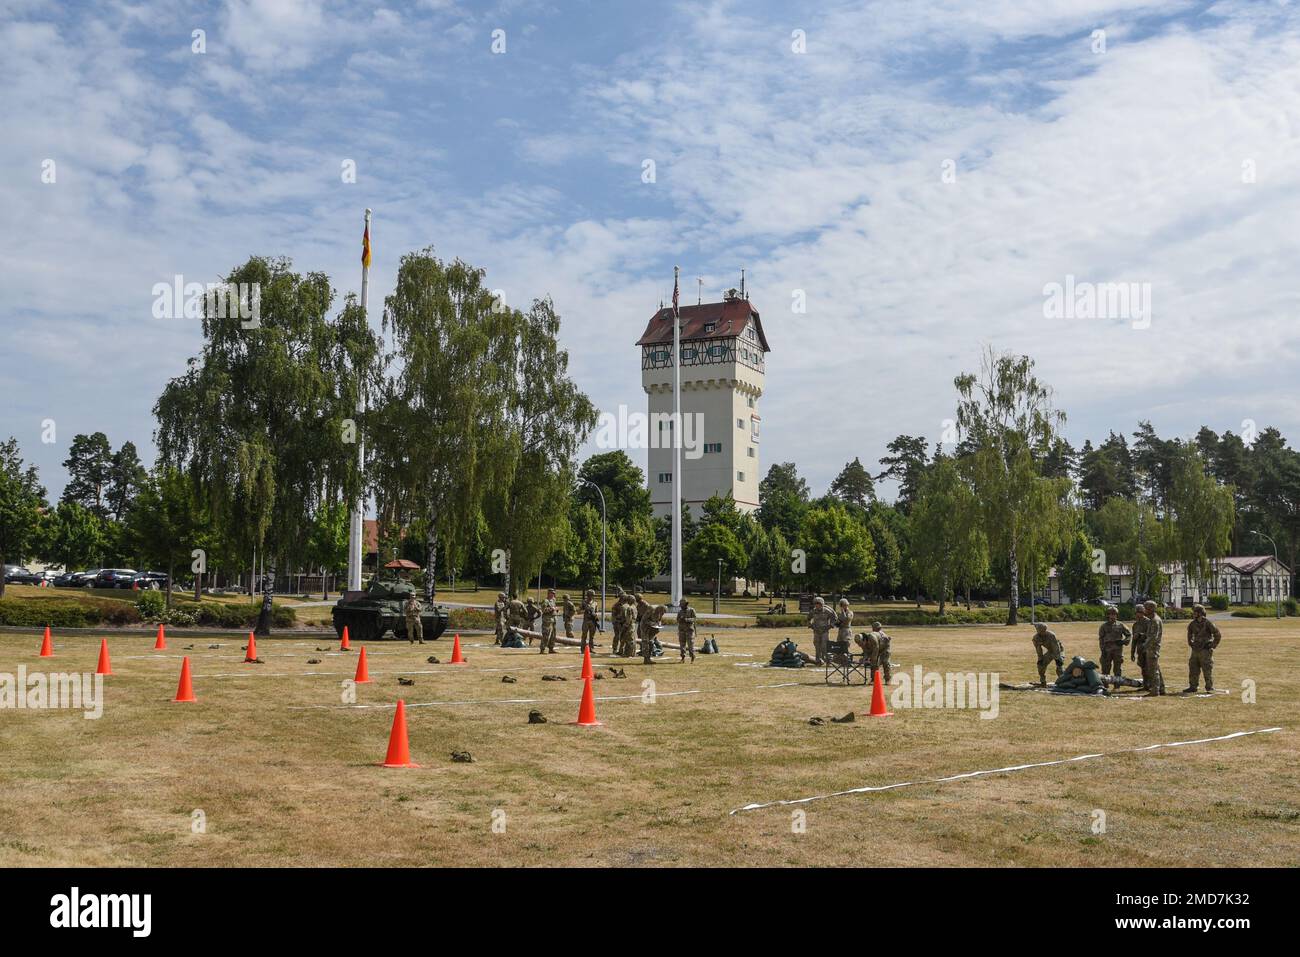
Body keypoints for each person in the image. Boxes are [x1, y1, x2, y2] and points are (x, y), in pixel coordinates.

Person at [1185, 603, 1221, 693]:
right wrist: (1190, 643)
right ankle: (1193, 686)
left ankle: (1209, 687)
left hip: (1205, 650)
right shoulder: (1192, 624)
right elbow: (1189, 634)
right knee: (1193, 668)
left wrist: (1212, 645)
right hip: (1195, 650)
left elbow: (1217, 634)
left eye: (1195, 613)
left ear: (1200, 613)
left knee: (1207, 669)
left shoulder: (1208, 623)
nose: (1193, 614)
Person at [1140, 600, 1166, 696]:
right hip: (1151, 647)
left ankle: (1155, 690)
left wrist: (1144, 645)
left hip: (1152, 648)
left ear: (1150, 609)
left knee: (1153, 670)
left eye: (1146, 608)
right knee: (1156, 668)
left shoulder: (1155, 620)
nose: (1144, 611)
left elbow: (1153, 637)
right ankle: (1161, 688)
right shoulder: (1152, 620)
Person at [1097, 606, 1131, 678]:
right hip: (1107, 650)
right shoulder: (1103, 626)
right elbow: (1101, 639)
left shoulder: (1120, 625)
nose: (1113, 616)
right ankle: (1105, 685)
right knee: (1105, 668)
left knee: (1117, 668)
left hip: (1117, 650)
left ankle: (1117, 685)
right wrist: (1103, 650)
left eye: (1114, 614)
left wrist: (1124, 642)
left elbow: (1129, 635)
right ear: (1108, 615)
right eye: (1111, 614)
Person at [1032, 621, 1064, 686]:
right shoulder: (1036, 638)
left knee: (1059, 666)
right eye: (1041, 631)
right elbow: (1038, 649)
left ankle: (1063, 682)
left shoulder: (1051, 635)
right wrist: (1040, 659)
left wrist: (1058, 659)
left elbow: (1056, 647)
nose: (1043, 632)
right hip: (1050, 651)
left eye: (1044, 630)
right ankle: (1043, 682)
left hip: (1059, 650)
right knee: (1041, 666)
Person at [806, 596, 836, 665]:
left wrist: (830, 625)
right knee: (817, 646)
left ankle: (828, 661)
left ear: (822, 604)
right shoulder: (813, 611)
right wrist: (810, 625)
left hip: (824, 631)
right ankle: (818, 661)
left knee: (824, 646)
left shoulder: (827, 611)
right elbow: (808, 618)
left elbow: (834, 618)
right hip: (816, 631)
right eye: (815, 604)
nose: (817, 605)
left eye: (818, 604)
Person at [1130, 603, 1148, 679]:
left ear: (1143, 613)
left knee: (1149, 667)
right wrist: (1132, 652)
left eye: (1139, 612)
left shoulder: (1148, 622)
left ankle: (1151, 684)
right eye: (1137, 613)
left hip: (1147, 647)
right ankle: (1145, 684)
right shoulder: (1135, 625)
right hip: (1140, 648)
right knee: (1142, 666)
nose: (1138, 615)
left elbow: (1151, 635)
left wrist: (1141, 635)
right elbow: (1134, 640)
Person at [677, 597, 697, 663]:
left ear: (685, 604)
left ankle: (692, 657)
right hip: (682, 630)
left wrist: (687, 619)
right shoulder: (680, 612)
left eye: (682, 605)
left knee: (690, 644)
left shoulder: (691, 610)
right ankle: (683, 658)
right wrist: (681, 619)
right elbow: (677, 620)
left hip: (689, 630)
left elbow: (694, 619)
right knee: (682, 645)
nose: (681, 607)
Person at [538, 588, 558, 655]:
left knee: (553, 635)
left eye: (554, 594)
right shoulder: (545, 601)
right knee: (546, 635)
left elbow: (554, 608)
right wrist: (551, 609)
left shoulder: (553, 600)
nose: (553, 595)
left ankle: (551, 648)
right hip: (547, 620)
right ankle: (542, 649)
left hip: (553, 619)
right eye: (552, 593)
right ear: (549, 593)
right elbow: (543, 610)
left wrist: (556, 610)